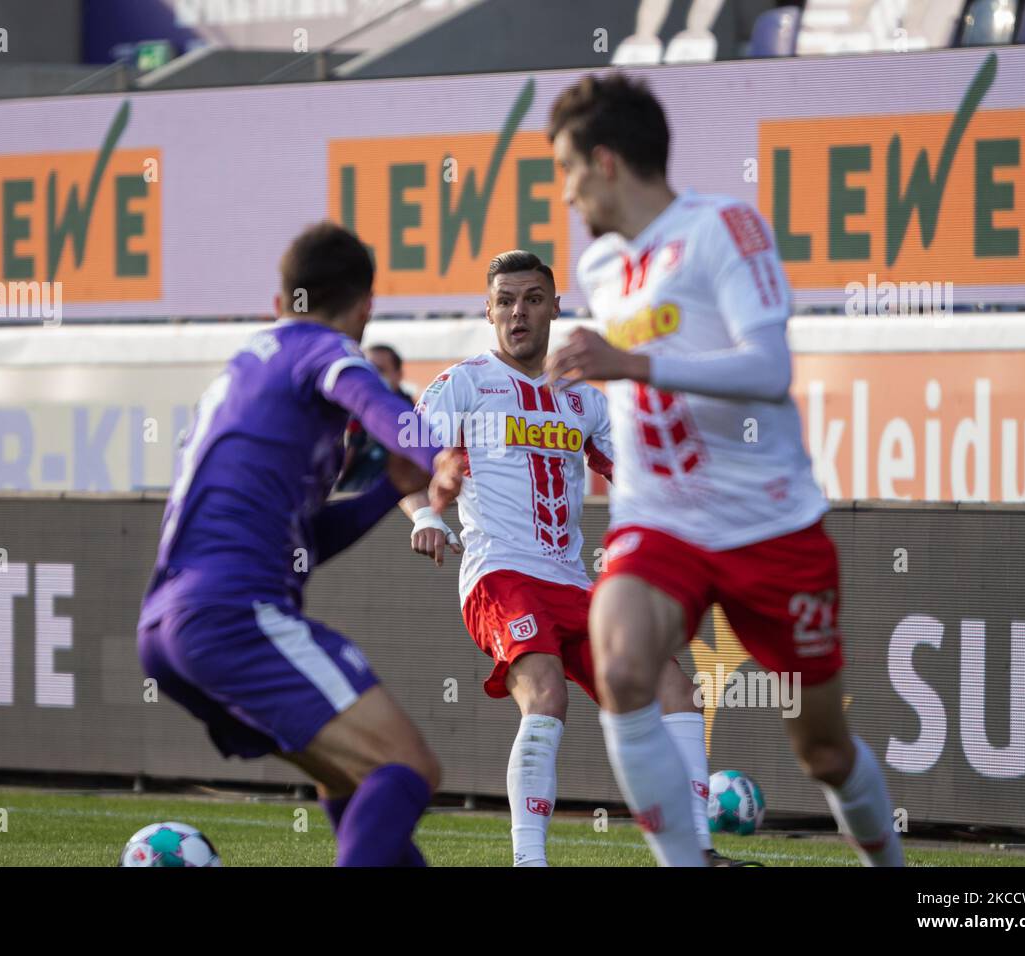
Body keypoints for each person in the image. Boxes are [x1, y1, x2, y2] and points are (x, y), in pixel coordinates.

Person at [545, 73, 904, 867]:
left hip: (768, 524)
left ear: (605, 161)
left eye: (567, 170)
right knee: (622, 663)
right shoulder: (603, 265)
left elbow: (768, 369)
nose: (564, 194)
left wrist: (631, 360)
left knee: (823, 753)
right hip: (659, 519)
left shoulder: (725, 227)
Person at [400, 249, 745, 866]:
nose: (518, 312)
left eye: (532, 298)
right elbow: (401, 460)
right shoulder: (464, 384)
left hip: (571, 581)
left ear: (556, 307)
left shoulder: (581, 400)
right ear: (488, 310)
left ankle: (695, 852)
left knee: (675, 691)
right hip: (499, 574)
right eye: (505, 301)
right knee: (547, 694)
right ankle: (529, 861)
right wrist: (426, 515)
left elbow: (638, 478)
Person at [137, 222, 464, 867]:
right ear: (366, 307)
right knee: (411, 766)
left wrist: (384, 493)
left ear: (280, 297)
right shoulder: (318, 349)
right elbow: (368, 394)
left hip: (169, 626)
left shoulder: (244, 373)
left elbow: (300, 543)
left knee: (353, 779)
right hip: (233, 613)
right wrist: (437, 453)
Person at [336, 345, 415, 492]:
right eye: (367, 369)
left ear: (398, 374)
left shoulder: (412, 419)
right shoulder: (347, 413)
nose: (372, 376)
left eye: (380, 370)